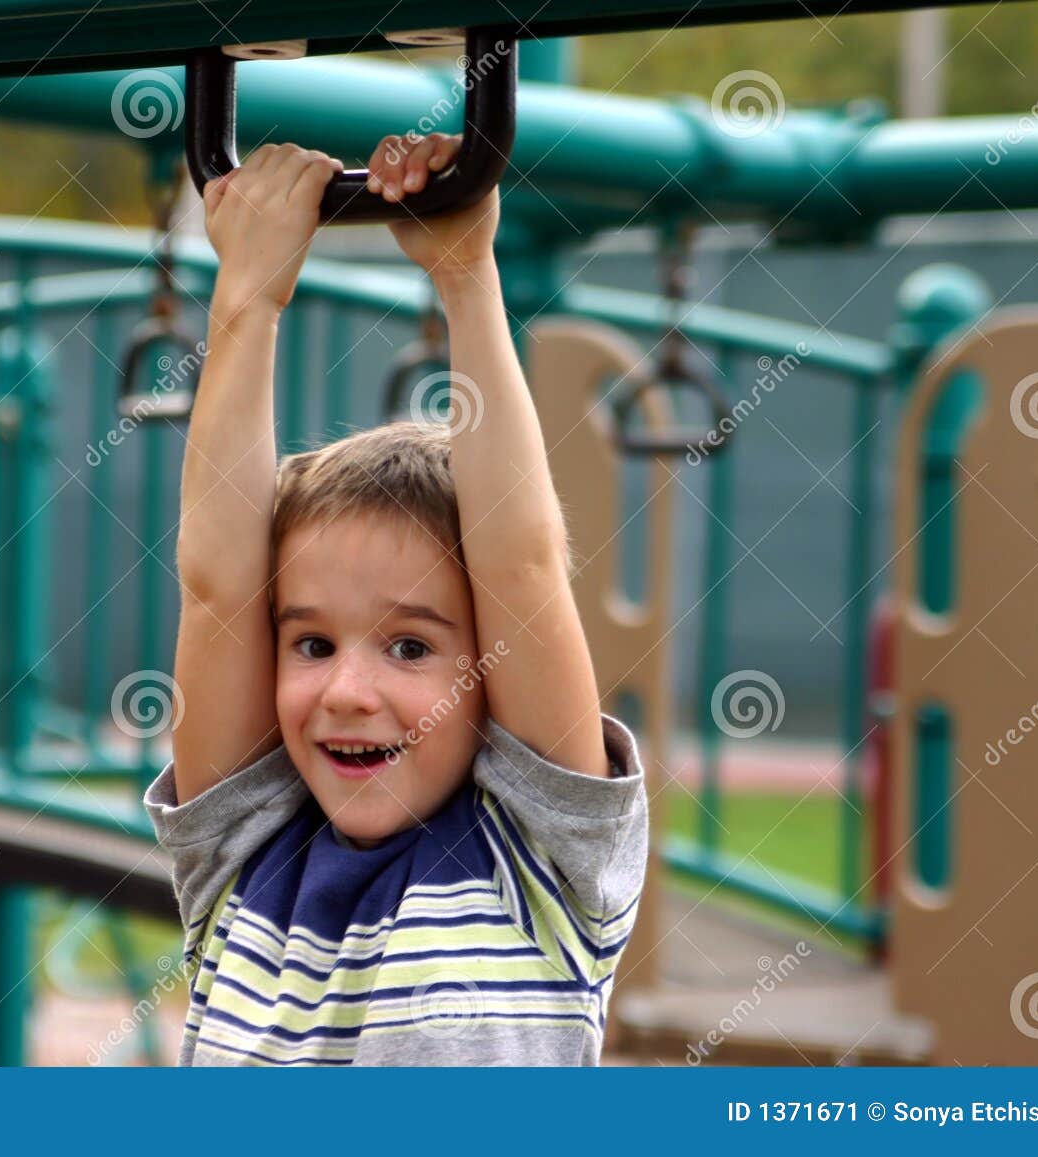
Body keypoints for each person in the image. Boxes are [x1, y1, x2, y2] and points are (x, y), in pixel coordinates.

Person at [144, 132, 650, 1065]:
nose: (346, 690)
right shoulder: (243, 851)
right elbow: (219, 589)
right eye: (311, 644)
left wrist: (466, 275)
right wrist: (247, 297)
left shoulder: (541, 860)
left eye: (410, 647)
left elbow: (521, 567)